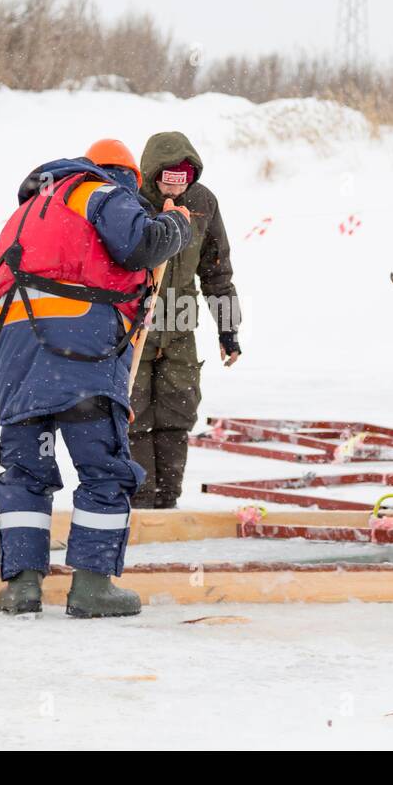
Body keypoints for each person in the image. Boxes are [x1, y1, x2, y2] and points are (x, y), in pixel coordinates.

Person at [0, 139, 191, 617]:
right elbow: (142, 244)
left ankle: (22, 586)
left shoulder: (32, 207)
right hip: (78, 343)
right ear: (125, 177)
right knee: (103, 465)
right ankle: (93, 586)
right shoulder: (99, 192)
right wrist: (176, 224)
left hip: (15, 349)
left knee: (25, 471)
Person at [128, 131, 241, 509]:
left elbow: (217, 272)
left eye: (183, 179)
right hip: (135, 330)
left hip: (180, 325)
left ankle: (167, 499)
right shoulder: (129, 201)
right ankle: (140, 498)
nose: (176, 187)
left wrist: (228, 329)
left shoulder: (204, 202)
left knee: (178, 410)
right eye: (167, 179)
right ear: (151, 174)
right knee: (134, 412)